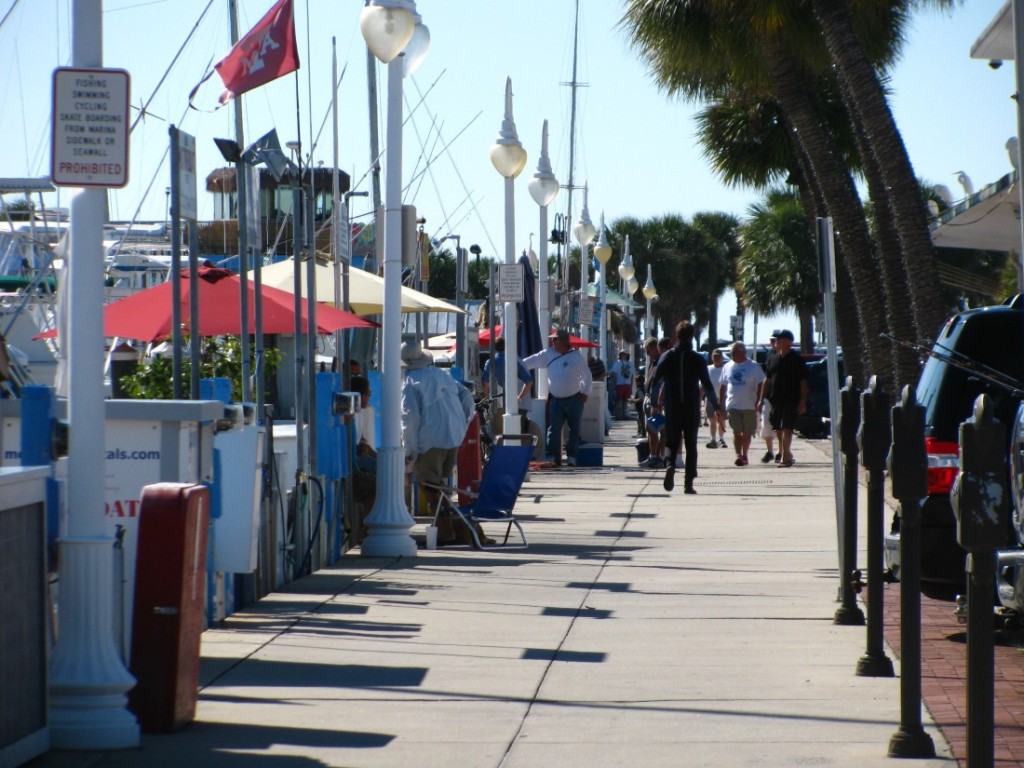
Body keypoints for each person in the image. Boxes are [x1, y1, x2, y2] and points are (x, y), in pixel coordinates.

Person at [400, 340, 487, 545]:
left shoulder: (410, 384)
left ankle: (446, 530)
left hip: (430, 440)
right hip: (453, 438)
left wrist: (409, 449)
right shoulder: (442, 375)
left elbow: (409, 418)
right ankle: (450, 528)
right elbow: (467, 397)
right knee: (440, 485)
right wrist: (462, 423)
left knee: (429, 486)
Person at [649, 320, 721, 494]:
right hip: (691, 406)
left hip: (672, 406)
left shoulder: (667, 356)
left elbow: (655, 382)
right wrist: (716, 406)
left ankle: (670, 464)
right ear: (692, 336)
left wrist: (654, 402)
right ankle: (688, 484)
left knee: (672, 441)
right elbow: (707, 385)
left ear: (677, 336)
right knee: (691, 444)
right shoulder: (697, 358)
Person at [523, 328, 593, 467]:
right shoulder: (548, 354)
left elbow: (587, 375)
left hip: (575, 399)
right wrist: (516, 365)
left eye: (555, 339)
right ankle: (551, 456)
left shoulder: (576, 356)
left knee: (574, 429)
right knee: (553, 429)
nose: (552, 342)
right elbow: (531, 361)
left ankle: (572, 457)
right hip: (556, 400)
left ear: (563, 342)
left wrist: (586, 393)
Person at [759, 329, 808, 468]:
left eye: (788, 343)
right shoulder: (772, 358)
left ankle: (785, 456)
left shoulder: (797, 360)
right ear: (778, 343)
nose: (785, 345)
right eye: (782, 342)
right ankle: (787, 453)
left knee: (787, 427)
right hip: (775, 399)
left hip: (791, 399)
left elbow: (803, 383)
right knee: (777, 428)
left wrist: (802, 401)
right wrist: (760, 399)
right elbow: (767, 380)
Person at [718, 342, 766, 467]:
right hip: (733, 405)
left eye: (734, 352)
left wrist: (759, 400)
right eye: (731, 353)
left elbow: (762, 383)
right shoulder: (727, 366)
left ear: (742, 352)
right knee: (736, 431)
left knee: (747, 433)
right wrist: (720, 403)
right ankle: (738, 454)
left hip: (749, 405)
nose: (732, 355)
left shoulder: (753, 366)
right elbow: (723, 386)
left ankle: (745, 454)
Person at [480, 336, 533, 436]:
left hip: (498, 403)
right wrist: (520, 398)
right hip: (519, 404)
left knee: (498, 434)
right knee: (517, 434)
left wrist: (486, 399)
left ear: (494, 348)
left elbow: (485, 383)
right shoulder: (516, 360)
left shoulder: (491, 362)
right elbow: (529, 381)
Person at [758, 332, 780, 463]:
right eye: (771, 341)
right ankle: (770, 451)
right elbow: (766, 378)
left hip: (782, 398)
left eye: (775, 341)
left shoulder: (786, 356)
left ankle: (781, 451)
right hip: (768, 397)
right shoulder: (769, 356)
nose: (773, 343)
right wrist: (760, 399)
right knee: (765, 423)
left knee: (780, 427)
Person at [703, 350, 728, 449]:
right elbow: (703, 384)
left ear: (722, 358)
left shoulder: (726, 369)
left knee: (721, 419)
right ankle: (713, 439)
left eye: (718, 357)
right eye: (715, 357)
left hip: (723, 398)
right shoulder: (708, 369)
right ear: (712, 358)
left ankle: (721, 439)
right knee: (712, 419)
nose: (717, 359)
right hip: (710, 398)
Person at [608, 350, 634, 419]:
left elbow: (632, 375)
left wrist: (631, 384)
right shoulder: (617, 363)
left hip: (627, 384)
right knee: (618, 400)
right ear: (620, 355)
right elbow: (613, 373)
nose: (624, 355)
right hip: (619, 384)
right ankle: (619, 415)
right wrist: (613, 385)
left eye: (625, 354)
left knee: (626, 400)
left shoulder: (630, 363)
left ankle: (626, 414)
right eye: (623, 354)